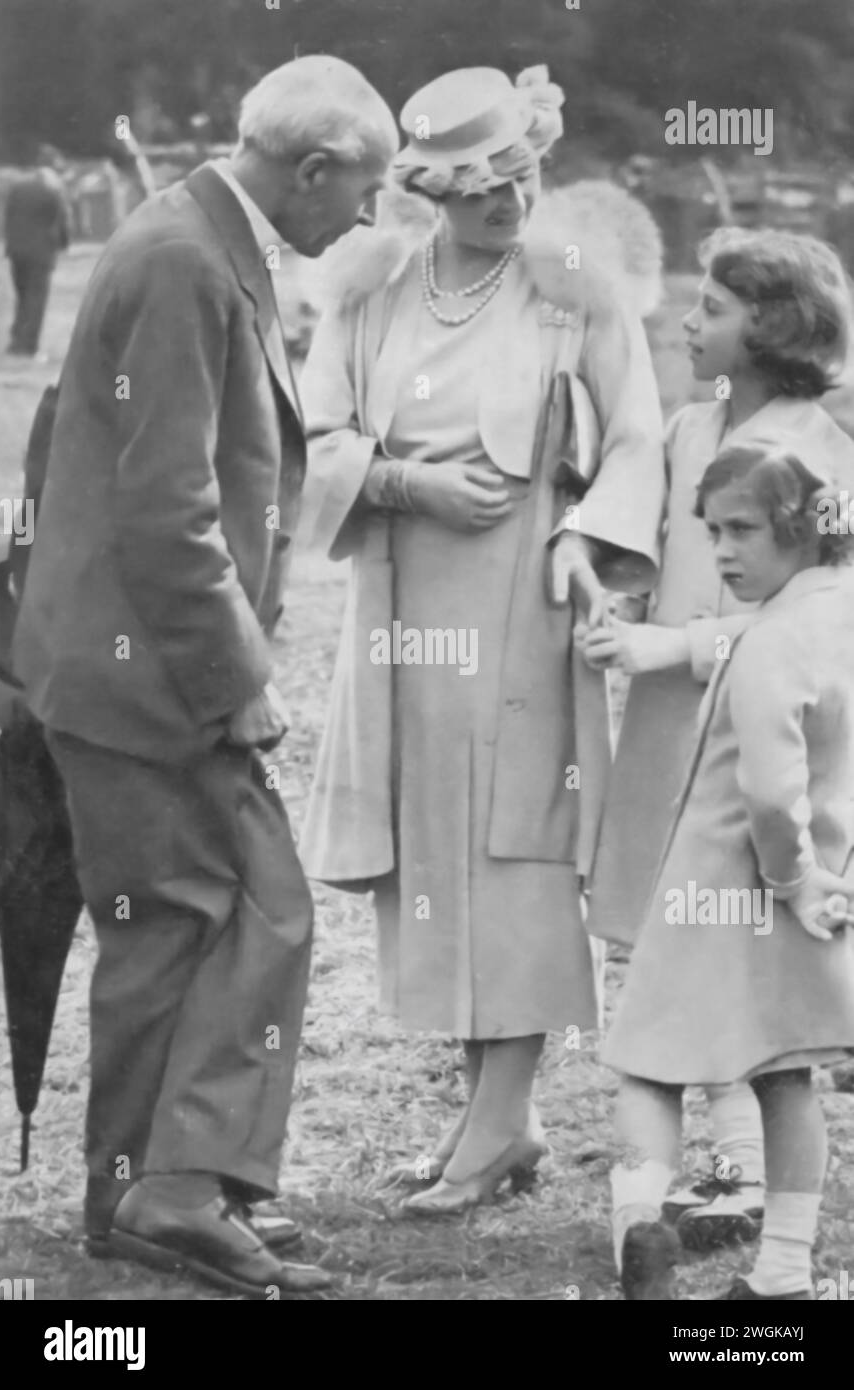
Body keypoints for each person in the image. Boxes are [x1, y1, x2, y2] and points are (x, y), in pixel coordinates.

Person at [12, 56, 397, 1298]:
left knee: (165, 927)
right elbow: (167, 505)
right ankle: (178, 1190)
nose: (370, 219)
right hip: (150, 672)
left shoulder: (182, 237)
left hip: (110, 662)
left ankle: (138, 1190)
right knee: (258, 905)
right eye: (366, 190)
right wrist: (237, 677)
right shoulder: (183, 258)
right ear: (314, 167)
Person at [297, 65, 666, 1214]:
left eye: (523, 176)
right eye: (481, 187)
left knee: (515, 852)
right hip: (405, 607)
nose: (510, 202)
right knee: (432, 858)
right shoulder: (373, 288)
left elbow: (639, 438)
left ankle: (499, 1123)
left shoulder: (573, 287)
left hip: (522, 603)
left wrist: (586, 541)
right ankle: (495, 1122)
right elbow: (312, 435)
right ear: (430, 191)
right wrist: (406, 483)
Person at [581, 227, 854, 1254]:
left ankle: (737, 1170)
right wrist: (609, 585)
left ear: (771, 327)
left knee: (743, 945)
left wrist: (667, 646)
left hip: (757, 743)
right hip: (669, 738)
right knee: (665, 938)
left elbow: (812, 623)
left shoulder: (821, 453)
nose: (684, 323)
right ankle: (711, 1169)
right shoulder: (689, 428)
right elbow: (642, 528)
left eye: (711, 308)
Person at [5, 144, 71, 360]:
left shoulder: (18, 187)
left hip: (16, 251)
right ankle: (29, 347)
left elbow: (7, 217)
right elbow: (62, 221)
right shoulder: (53, 189)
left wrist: (10, 244)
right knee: (36, 300)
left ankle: (16, 342)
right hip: (41, 253)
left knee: (22, 296)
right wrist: (64, 245)